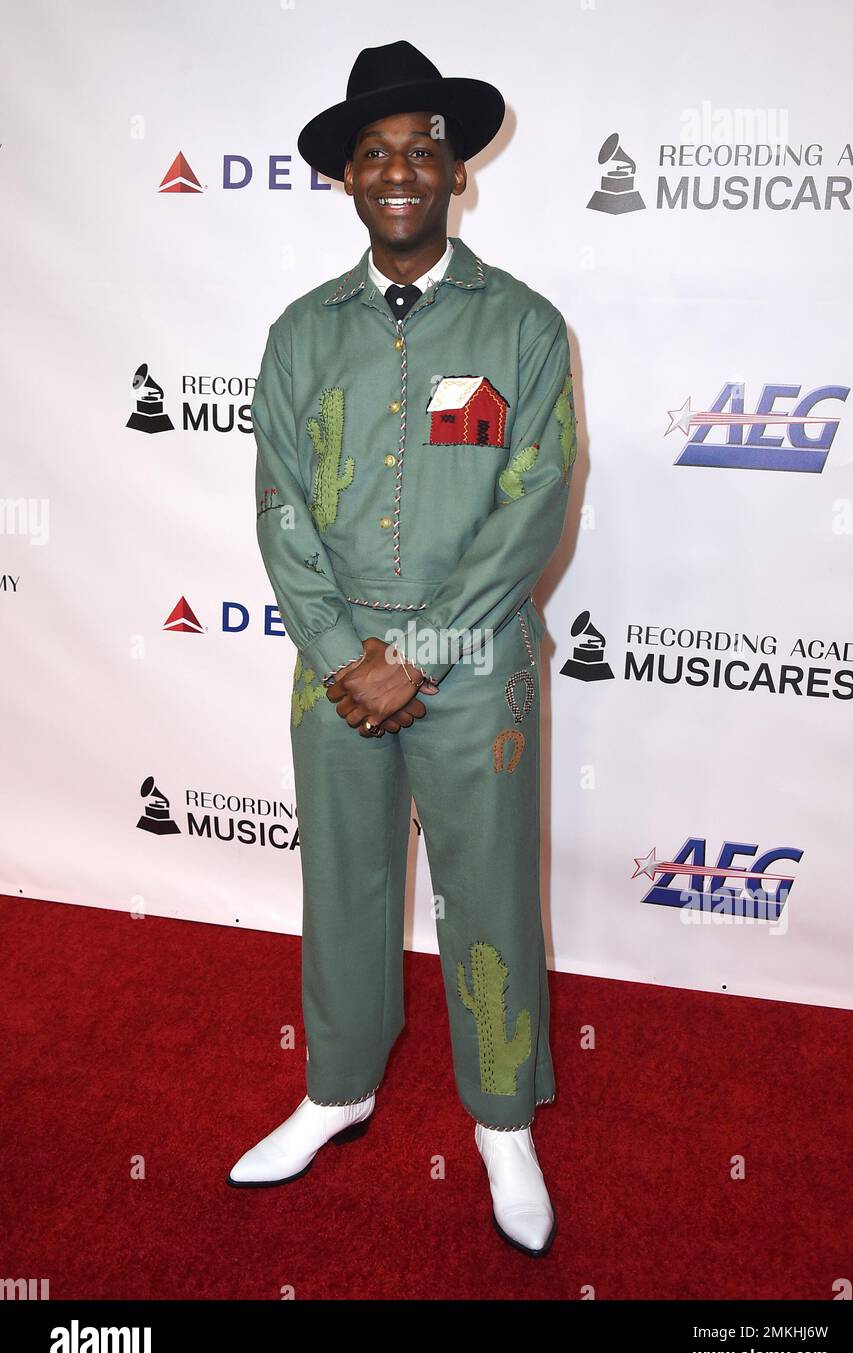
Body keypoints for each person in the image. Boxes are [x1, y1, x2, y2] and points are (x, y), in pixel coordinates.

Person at [227, 39, 578, 1259]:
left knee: (486, 892)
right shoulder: (297, 334)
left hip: (476, 669)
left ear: (454, 171)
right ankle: (337, 1090)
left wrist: (416, 653)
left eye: (419, 149)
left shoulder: (524, 327)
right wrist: (342, 653)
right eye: (373, 153)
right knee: (345, 886)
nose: (397, 170)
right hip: (333, 674)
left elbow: (530, 503)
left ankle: (498, 1120)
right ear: (346, 180)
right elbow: (279, 506)